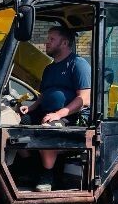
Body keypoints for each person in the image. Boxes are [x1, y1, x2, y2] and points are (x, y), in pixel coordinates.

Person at [19, 25, 91, 191]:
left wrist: (59, 114)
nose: (47, 42)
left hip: (72, 116)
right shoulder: (49, 68)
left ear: (64, 43)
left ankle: (47, 175)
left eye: (52, 39)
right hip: (48, 113)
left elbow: (84, 99)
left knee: (47, 130)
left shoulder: (78, 64)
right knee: (15, 124)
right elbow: (44, 95)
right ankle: (31, 168)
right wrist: (31, 108)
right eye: (48, 39)